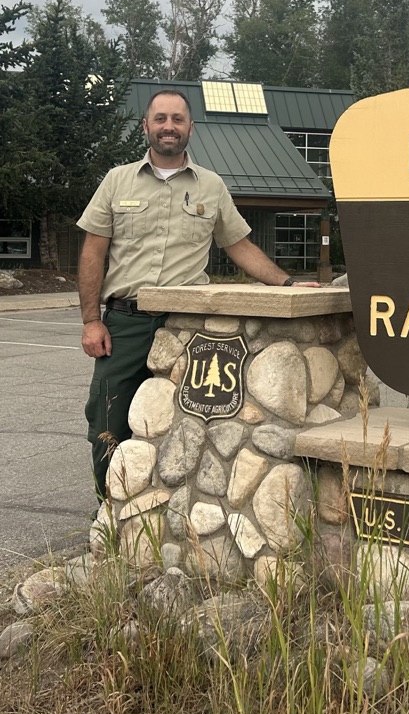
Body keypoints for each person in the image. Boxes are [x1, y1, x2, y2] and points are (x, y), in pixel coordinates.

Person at [78, 88, 319, 500]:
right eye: (160, 118)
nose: (168, 126)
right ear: (146, 126)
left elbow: (239, 245)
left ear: (191, 128)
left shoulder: (211, 185)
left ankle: (172, 515)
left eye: (177, 119)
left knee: (191, 427)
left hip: (188, 327)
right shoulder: (117, 180)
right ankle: (107, 513)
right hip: (125, 325)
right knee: (108, 423)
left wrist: (287, 283)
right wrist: (90, 320)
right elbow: (92, 252)